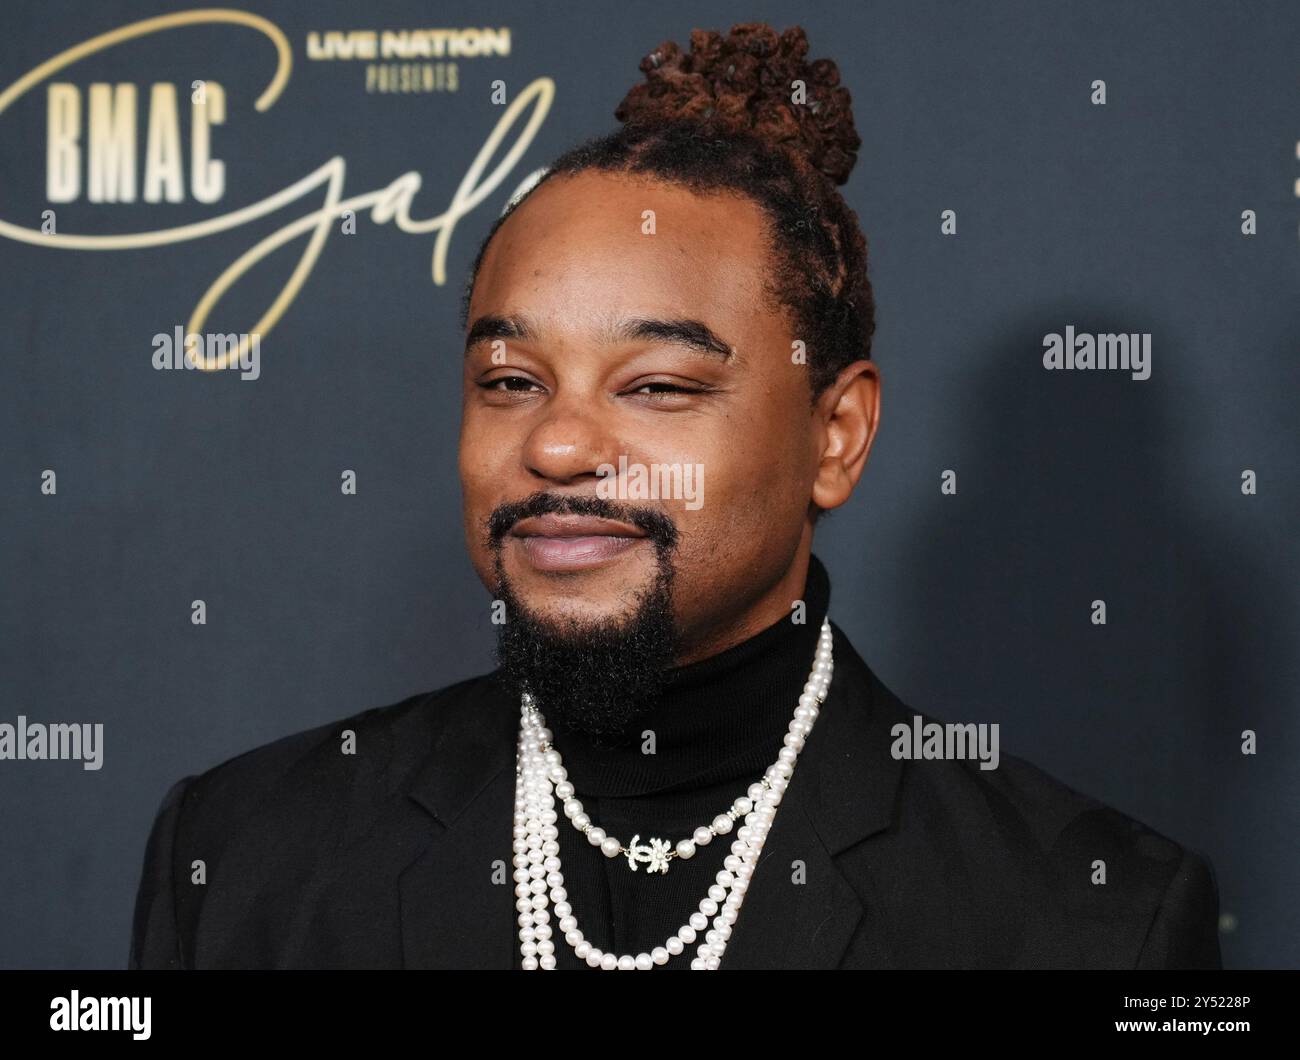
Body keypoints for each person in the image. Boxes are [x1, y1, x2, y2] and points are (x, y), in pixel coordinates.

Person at [129, 22, 1221, 970]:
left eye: (657, 385)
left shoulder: (1086, 918)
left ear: (834, 435)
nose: (556, 443)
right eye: (509, 381)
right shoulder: (243, 858)